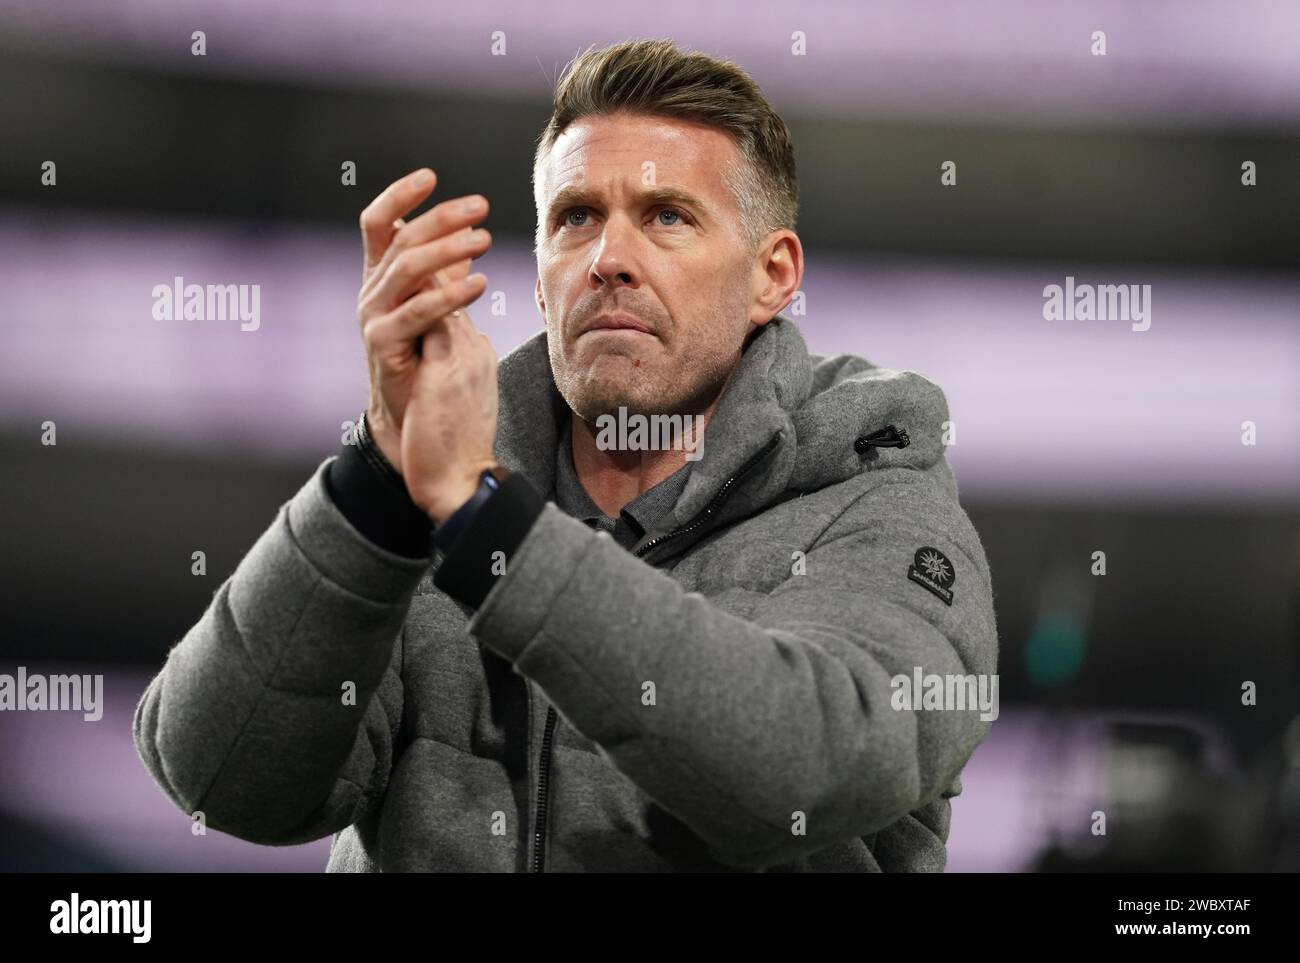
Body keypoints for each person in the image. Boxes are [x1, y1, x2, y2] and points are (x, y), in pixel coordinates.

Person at [133, 38, 998, 872]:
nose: (609, 259)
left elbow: (802, 770)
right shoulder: (426, 492)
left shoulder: (879, 502)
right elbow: (222, 780)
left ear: (772, 276)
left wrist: (486, 524)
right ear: (542, 271)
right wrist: (375, 478)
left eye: (667, 216)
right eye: (577, 217)